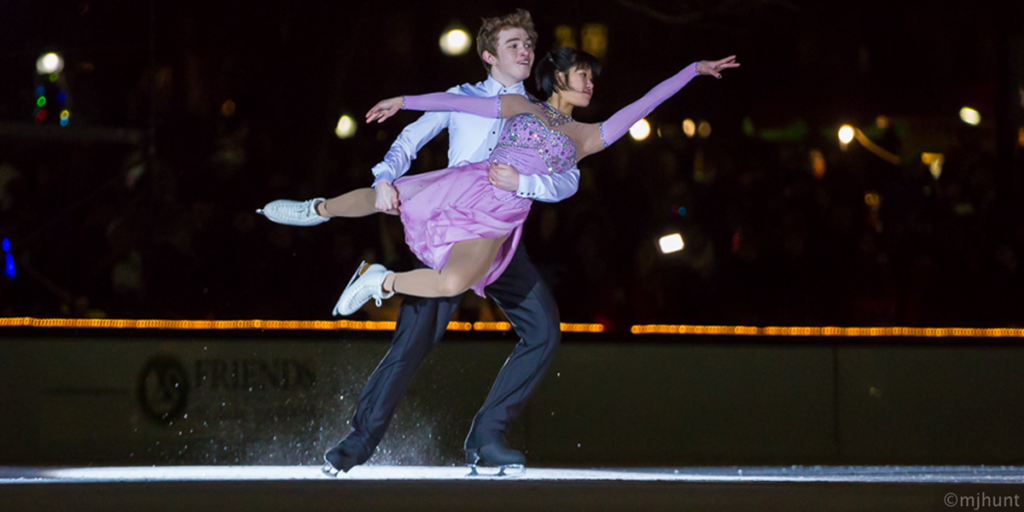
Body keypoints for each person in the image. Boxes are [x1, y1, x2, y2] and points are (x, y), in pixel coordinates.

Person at [260, 10, 579, 476]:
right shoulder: (460, 99)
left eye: (529, 44)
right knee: (411, 344)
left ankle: (487, 437)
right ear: (489, 56)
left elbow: (564, 174)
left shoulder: (539, 113)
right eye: (514, 44)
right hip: (448, 235)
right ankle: (357, 442)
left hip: (496, 239)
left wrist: (529, 183)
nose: (526, 51)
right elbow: (409, 139)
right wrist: (387, 177)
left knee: (544, 330)